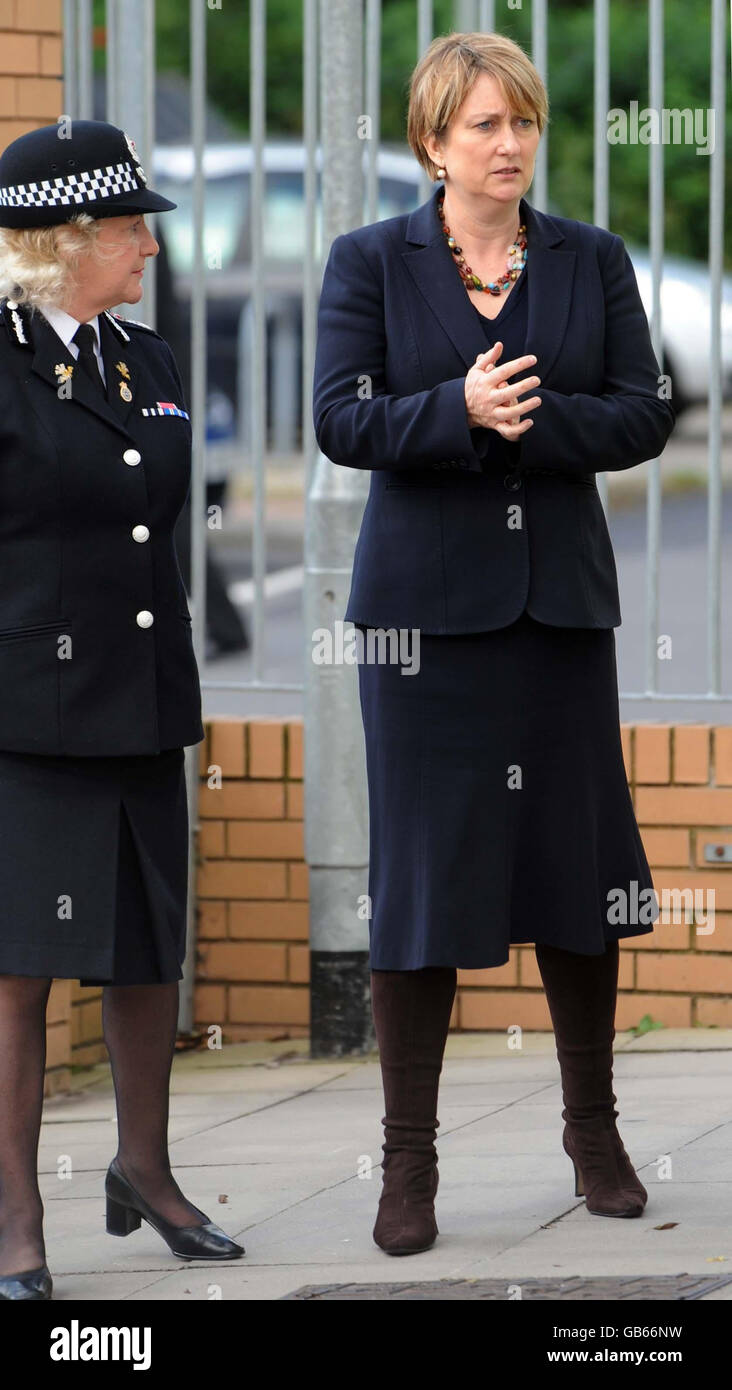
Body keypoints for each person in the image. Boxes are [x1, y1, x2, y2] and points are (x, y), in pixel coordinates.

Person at [312, 32, 675, 1256]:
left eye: (523, 122)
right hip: (423, 627)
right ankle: (405, 1165)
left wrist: (530, 420)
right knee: (421, 888)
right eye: (485, 125)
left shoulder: (592, 260)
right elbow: (337, 420)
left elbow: (645, 409)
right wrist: (455, 414)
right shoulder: (370, 260)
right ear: (433, 142)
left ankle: (595, 1131)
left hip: (558, 615)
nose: (510, 144)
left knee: (580, 875)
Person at [0, 119, 244, 1300]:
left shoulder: (148, 361)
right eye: (132, 226)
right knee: (21, 971)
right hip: (29, 713)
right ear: (67, 239)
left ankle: (145, 1172)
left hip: (143, 700)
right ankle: (13, 1219)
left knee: (149, 951)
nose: (151, 246)